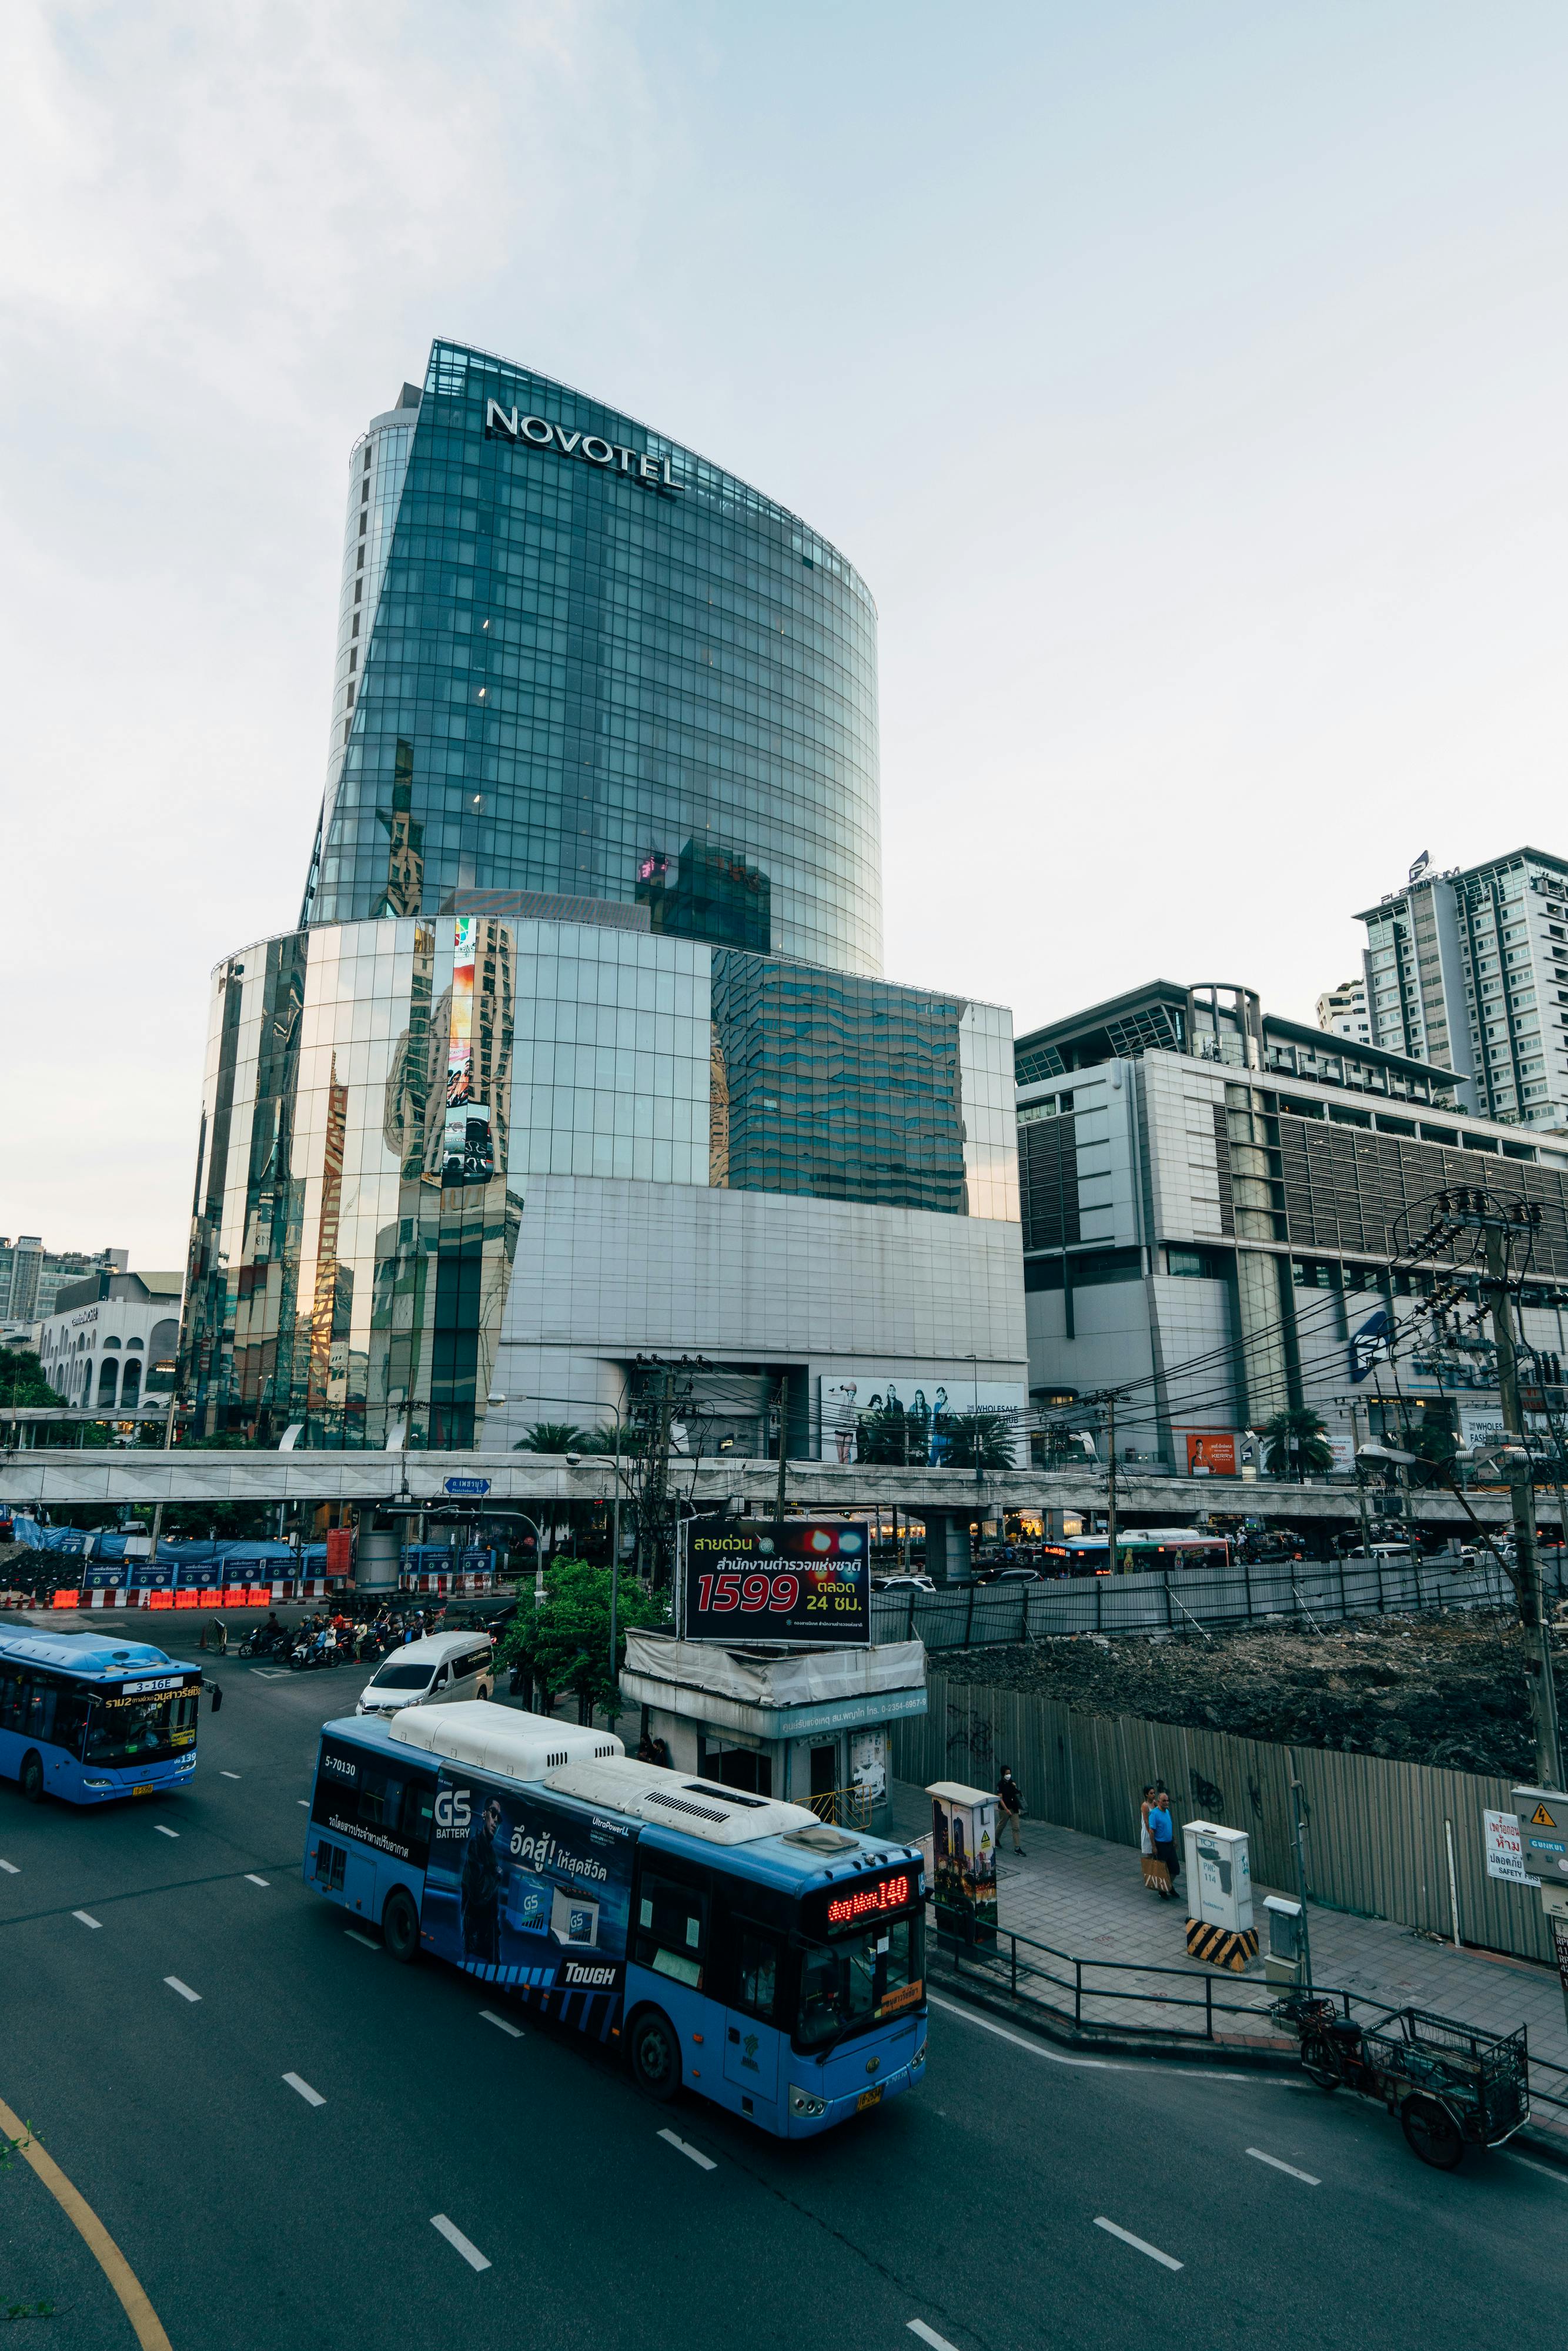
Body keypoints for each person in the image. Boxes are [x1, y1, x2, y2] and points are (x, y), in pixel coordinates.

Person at [461, 1792, 504, 1964]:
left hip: (489, 1933)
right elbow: (479, 1893)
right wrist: (496, 1875)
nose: (496, 1821)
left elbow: (492, 1898)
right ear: (484, 1814)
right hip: (477, 1934)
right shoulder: (476, 1845)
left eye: (499, 1818)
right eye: (493, 1814)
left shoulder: (491, 1853)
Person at [1147, 1788, 1179, 1899]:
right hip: (1161, 1846)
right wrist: (1154, 1847)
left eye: (1167, 1801)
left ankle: (1168, 1886)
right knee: (1162, 1870)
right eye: (1164, 1801)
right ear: (1159, 1801)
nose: (1166, 1803)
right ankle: (1163, 1891)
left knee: (1175, 1869)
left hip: (1169, 1844)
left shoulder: (1167, 1812)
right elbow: (1152, 1831)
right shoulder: (1154, 1814)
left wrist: (1173, 1839)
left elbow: (1169, 1826)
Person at [997, 1767, 1026, 1855]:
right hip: (1005, 1809)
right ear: (1003, 1774)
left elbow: (1017, 1793)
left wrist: (1015, 1786)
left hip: (1014, 1808)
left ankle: (1017, 1847)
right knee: (1002, 1825)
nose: (1009, 1775)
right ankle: (996, 1839)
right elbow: (1000, 1799)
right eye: (1007, 1774)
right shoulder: (1000, 1785)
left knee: (1016, 1828)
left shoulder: (1011, 1782)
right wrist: (1006, 1810)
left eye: (1009, 1773)